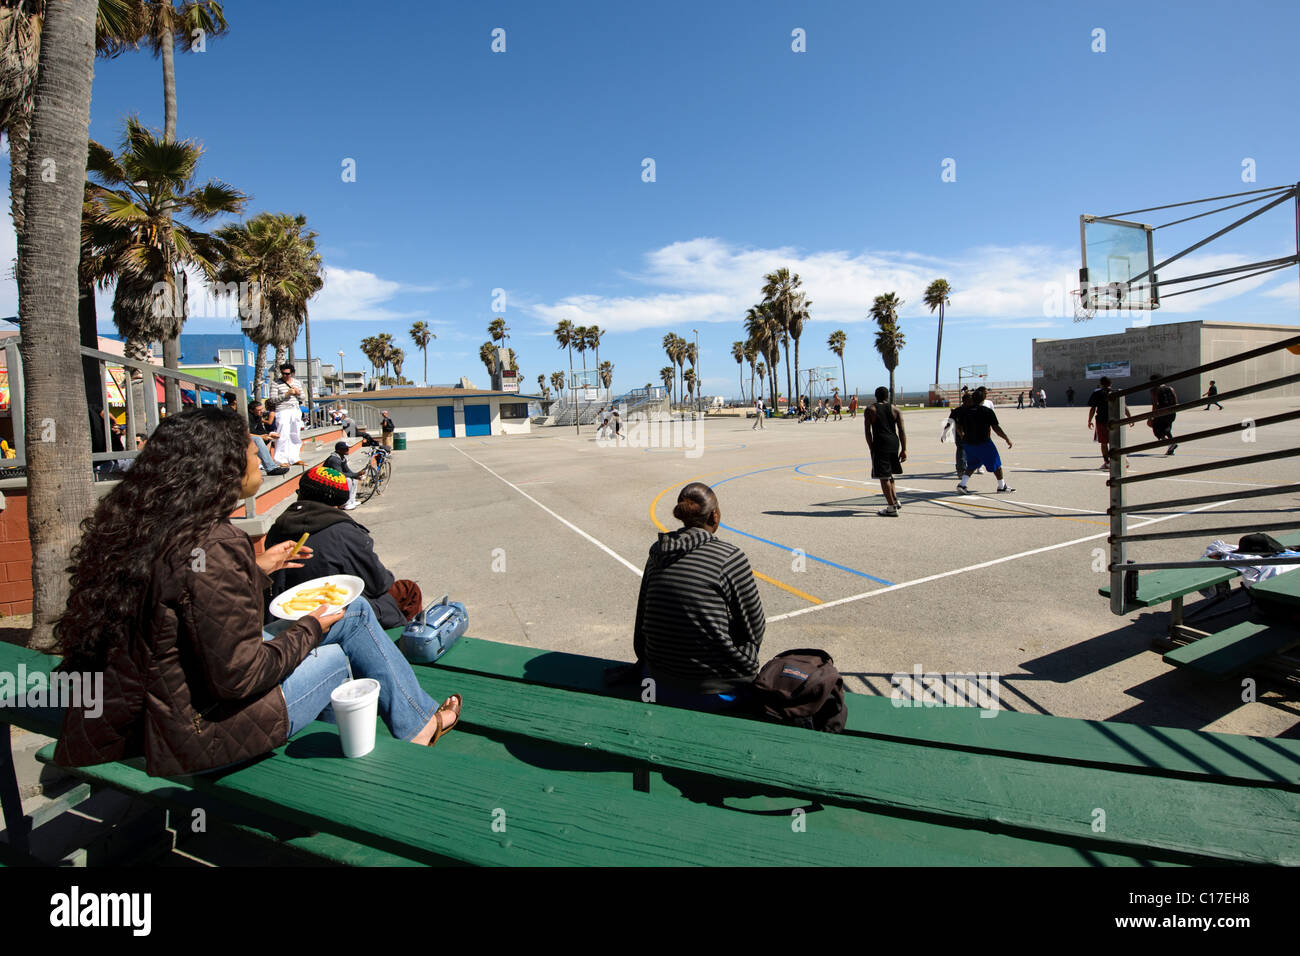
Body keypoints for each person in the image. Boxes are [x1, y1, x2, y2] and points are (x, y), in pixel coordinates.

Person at [52, 407, 462, 779]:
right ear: (223, 468)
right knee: (336, 654)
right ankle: (405, 732)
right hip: (197, 731)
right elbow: (240, 677)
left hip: (154, 708)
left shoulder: (146, 525)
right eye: (252, 454)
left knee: (352, 612)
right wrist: (310, 628)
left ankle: (408, 717)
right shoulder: (212, 543)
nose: (261, 459)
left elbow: (183, 605)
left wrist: (255, 568)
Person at [632, 482, 764, 713]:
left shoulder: (659, 551)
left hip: (655, 681)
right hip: (712, 691)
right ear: (714, 515)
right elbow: (755, 627)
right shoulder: (728, 557)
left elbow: (642, 615)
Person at [266, 464, 423, 629]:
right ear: (339, 502)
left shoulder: (277, 527)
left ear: (301, 492)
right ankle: (406, 638)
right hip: (334, 612)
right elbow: (378, 583)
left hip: (285, 611)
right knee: (408, 589)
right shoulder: (343, 532)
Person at [955, 386, 1014, 494]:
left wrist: (962, 435)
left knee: (972, 464)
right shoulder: (987, 411)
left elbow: (958, 425)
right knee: (996, 463)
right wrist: (1006, 438)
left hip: (968, 443)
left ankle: (962, 484)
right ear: (984, 399)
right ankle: (1002, 486)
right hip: (983, 443)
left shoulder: (965, 412)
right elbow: (996, 428)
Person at [863, 386, 907, 516]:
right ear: (887, 396)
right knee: (889, 474)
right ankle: (895, 501)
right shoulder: (895, 409)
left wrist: (871, 448)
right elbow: (902, 431)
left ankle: (891, 507)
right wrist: (904, 449)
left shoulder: (871, 409)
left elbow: (867, 432)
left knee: (883, 477)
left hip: (880, 443)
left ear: (876, 396)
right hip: (894, 443)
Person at [1087, 375, 1133, 470]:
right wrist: (1129, 418)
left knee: (1104, 443)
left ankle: (1107, 462)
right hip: (1115, 420)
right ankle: (1123, 459)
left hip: (1102, 421)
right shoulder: (1115, 393)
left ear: (1101, 384)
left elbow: (1093, 408)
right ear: (1110, 384)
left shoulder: (1097, 393)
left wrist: (1089, 420)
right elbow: (1124, 406)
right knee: (1116, 441)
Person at [246, 399, 289, 477]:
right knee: (259, 439)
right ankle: (270, 468)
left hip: (253, 437)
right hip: (244, 438)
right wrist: (262, 436)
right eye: (258, 410)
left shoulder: (258, 416)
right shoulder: (247, 417)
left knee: (268, 438)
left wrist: (270, 434)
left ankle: (268, 463)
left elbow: (261, 430)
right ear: (251, 411)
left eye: (262, 409)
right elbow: (247, 433)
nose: (261, 411)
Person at [324, 440, 364, 510]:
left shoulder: (342, 458)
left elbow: (347, 470)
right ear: (339, 450)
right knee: (347, 480)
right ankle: (345, 504)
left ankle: (352, 500)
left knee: (354, 479)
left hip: (336, 477)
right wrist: (355, 474)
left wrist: (356, 476)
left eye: (347, 448)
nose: (348, 450)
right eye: (345, 449)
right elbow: (340, 474)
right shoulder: (334, 459)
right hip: (327, 480)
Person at [1148, 374, 1179, 455]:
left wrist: (1151, 417)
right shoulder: (1170, 388)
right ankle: (1170, 449)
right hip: (1171, 412)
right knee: (1167, 429)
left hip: (1161, 412)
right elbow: (1175, 402)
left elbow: (1155, 404)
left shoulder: (1154, 390)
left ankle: (1170, 443)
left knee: (1157, 431)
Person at [948, 392, 972, 477]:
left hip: (971, 433)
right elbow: (950, 421)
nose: (971, 402)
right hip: (959, 434)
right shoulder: (957, 411)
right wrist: (944, 433)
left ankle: (966, 466)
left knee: (970, 450)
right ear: (965, 401)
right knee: (961, 450)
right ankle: (961, 470)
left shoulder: (973, 410)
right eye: (970, 400)